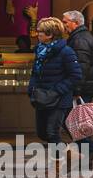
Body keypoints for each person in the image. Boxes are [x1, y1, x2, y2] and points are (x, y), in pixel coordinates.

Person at [28, 18, 81, 168]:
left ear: (50, 34)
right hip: (41, 97)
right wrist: (31, 89)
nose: (37, 34)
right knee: (42, 133)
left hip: (59, 99)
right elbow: (35, 73)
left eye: (40, 32)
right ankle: (67, 152)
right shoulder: (40, 51)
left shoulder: (66, 52)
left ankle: (57, 166)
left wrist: (57, 90)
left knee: (52, 132)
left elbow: (75, 76)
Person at [62, 10, 93, 161]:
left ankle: (89, 153)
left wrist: (76, 89)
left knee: (74, 121)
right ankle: (88, 153)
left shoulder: (79, 40)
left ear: (75, 22)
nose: (64, 25)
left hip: (82, 88)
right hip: (85, 86)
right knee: (78, 122)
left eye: (65, 22)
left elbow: (81, 67)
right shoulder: (80, 37)